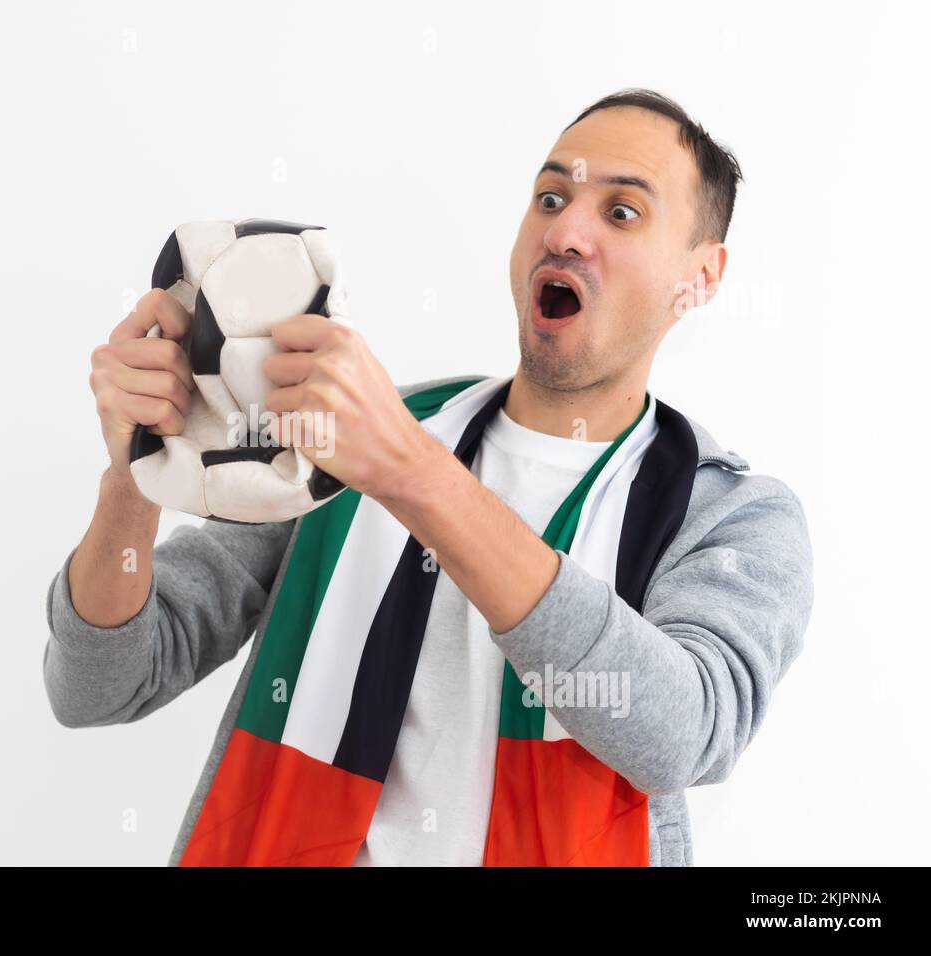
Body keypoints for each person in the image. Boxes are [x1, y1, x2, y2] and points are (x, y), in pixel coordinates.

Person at [43, 88, 814, 867]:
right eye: (551, 197)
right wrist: (136, 473)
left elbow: (682, 733)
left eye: (622, 213)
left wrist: (408, 471)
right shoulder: (346, 437)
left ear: (702, 275)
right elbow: (99, 686)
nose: (566, 231)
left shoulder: (733, 516)